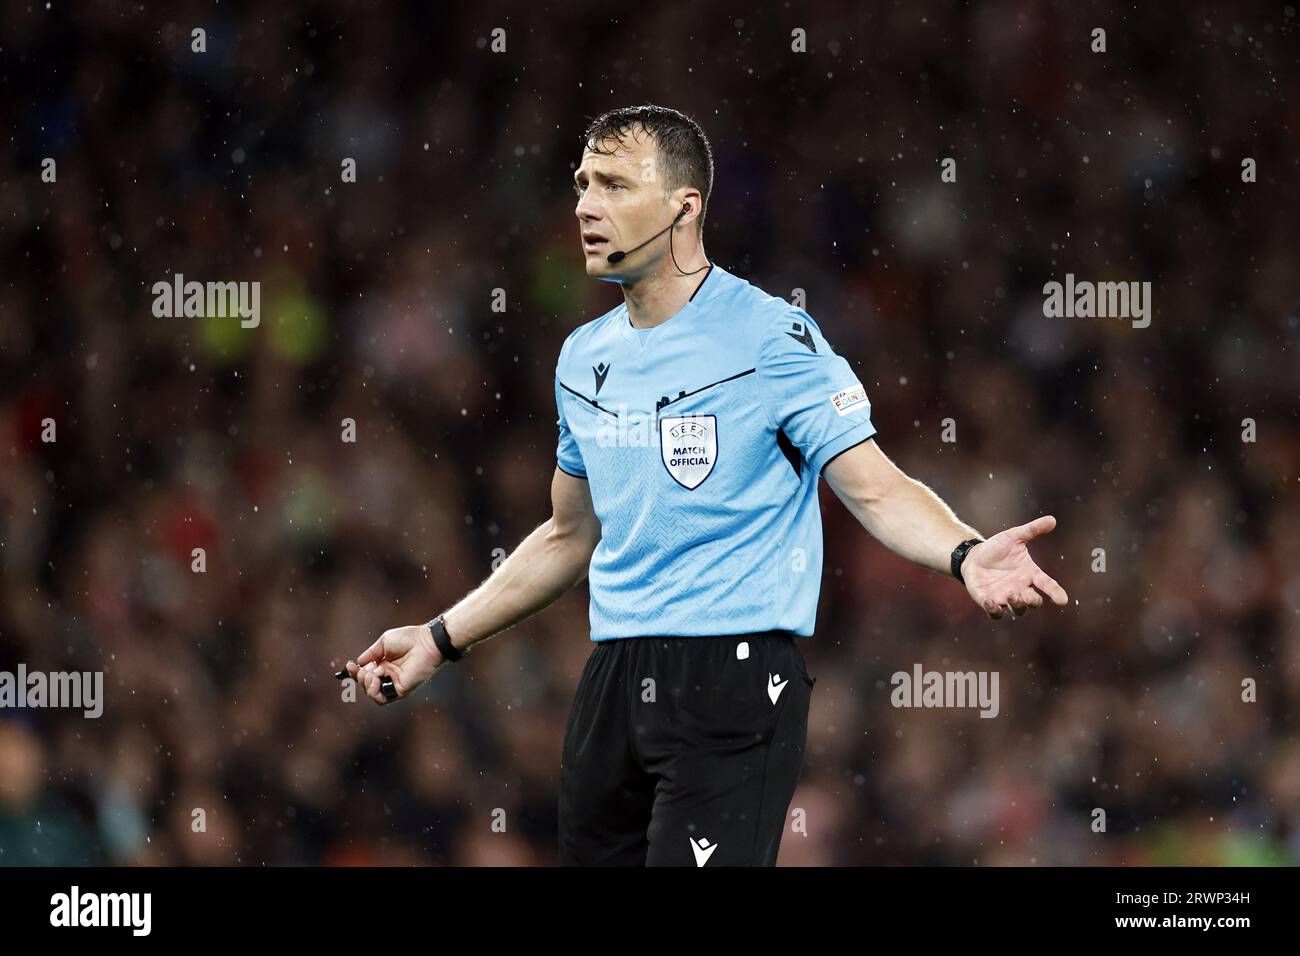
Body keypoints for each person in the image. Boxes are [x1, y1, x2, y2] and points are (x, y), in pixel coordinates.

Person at [344, 104, 1069, 866]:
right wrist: (437, 639)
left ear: (684, 206)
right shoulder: (581, 357)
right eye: (583, 183)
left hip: (736, 677)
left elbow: (876, 488)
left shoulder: (770, 338)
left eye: (616, 185)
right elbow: (569, 535)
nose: (587, 204)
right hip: (613, 684)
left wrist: (966, 553)